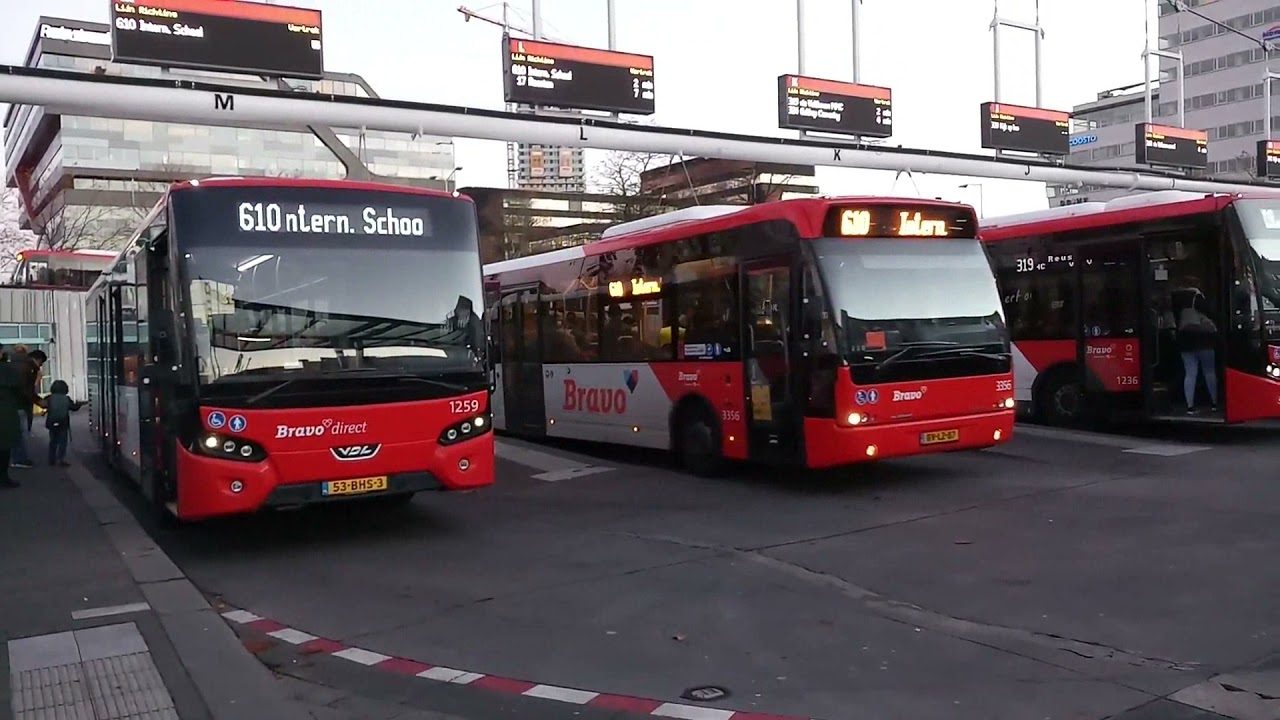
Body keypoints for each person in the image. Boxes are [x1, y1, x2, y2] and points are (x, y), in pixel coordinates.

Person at [1176, 286, 1219, 413]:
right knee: (1209, 373)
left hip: (1187, 347)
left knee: (1190, 374)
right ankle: (1214, 403)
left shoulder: (1184, 312)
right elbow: (1214, 329)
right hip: (1206, 345)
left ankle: (1190, 406)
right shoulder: (1207, 313)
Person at [41, 380, 82, 467]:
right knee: (62, 442)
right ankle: (61, 459)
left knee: (53, 441)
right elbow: (73, 407)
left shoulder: (50, 398)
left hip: (52, 423)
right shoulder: (66, 399)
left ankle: (51, 459)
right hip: (63, 423)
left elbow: (43, 405)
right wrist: (79, 404)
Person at [0, 358, 22, 487]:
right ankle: (3, 477)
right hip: (5, 412)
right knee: (4, 448)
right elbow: (18, 388)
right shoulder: (7, 369)